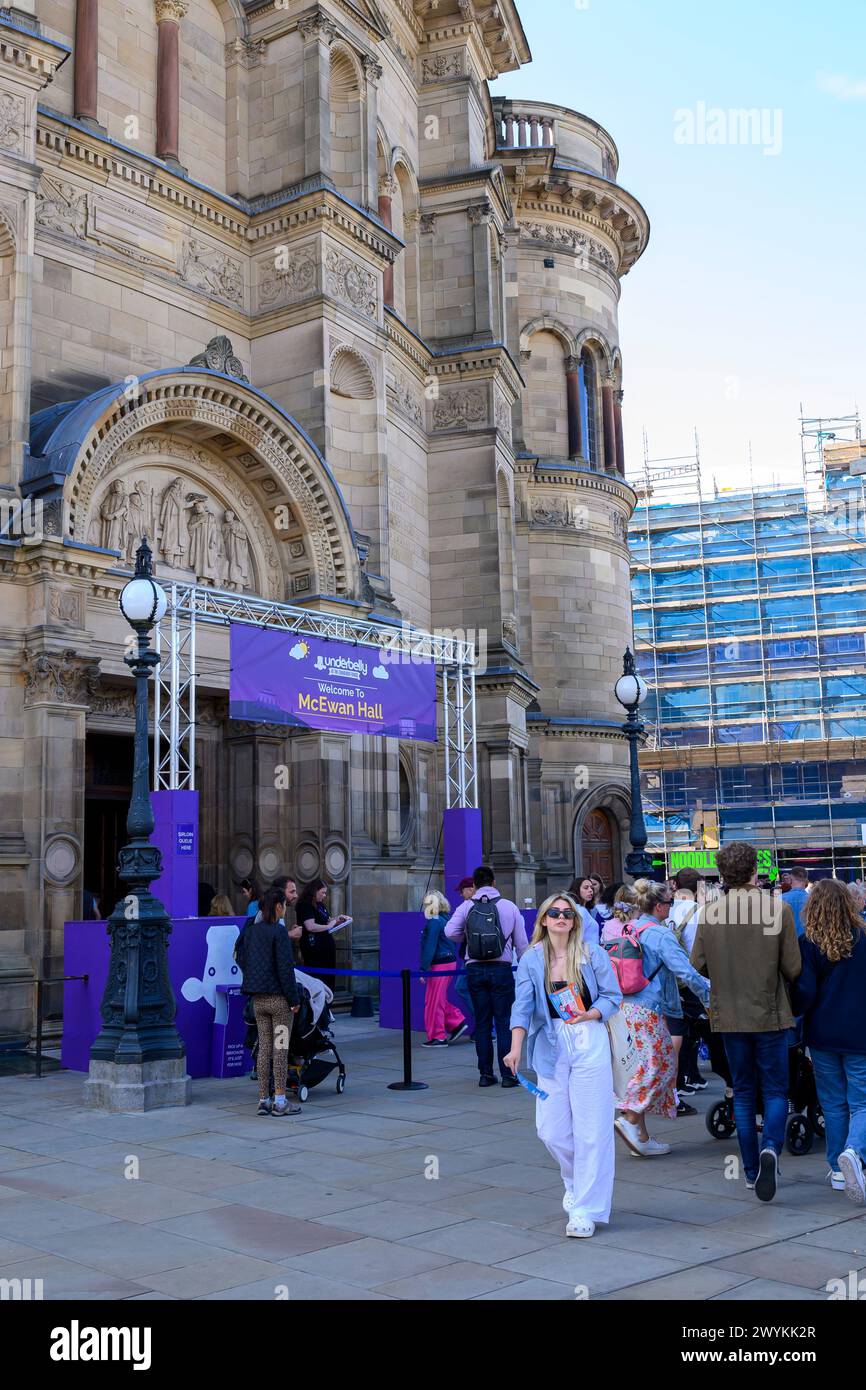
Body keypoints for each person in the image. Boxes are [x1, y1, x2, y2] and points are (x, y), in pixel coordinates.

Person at [505, 893, 622, 1238]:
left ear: (574, 920)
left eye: (567, 913)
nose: (560, 917)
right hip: (549, 1044)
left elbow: (613, 996)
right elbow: (522, 1007)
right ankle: (573, 1179)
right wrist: (514, 1048)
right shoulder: (531, 959)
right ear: (543, 919)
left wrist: (593, 1012)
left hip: (589, 1038)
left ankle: (586, 1207)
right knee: (551, 1130)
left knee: (592, 1128)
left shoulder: (592, 953)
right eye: (554, 913)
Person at [690, 841, 801, 1202]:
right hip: (769, 1013)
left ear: (722, 874)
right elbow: (793, 967)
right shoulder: (777, 909)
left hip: (729, 1015)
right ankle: (771, 1147)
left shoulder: (709, 914)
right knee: (775, 1090)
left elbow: (697, 965)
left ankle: (751, 1171)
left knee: (742, 1090)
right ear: (754, 869)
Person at [610, 880, 710, 1156]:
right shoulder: (660, 935)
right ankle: (629, 1117)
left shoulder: (632, 926)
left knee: (640, 1067)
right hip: (648, 1007)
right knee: (662, 1065)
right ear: (659, 906)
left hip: (625, 1007)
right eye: (670, 903)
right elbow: (686, 972)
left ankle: (640, 1136)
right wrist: (711, 995)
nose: (672, 907)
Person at [793, 879, 866, 1204]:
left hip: (822, 1032)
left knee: (833, 1102)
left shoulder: (808, 942)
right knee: (862, 1101)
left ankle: (838, 1167)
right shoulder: (863, 937)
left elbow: (805, 992)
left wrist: (796, 1013)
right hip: (860, 1031)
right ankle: (855, 1151)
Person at [445, 865, 529, 1088]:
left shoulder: (466, 907)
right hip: (501, 969)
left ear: (474, 885)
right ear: (493, 883)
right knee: (504, 1023)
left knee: (482, 1023)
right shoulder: (509, 906)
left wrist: (469, 936)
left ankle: (485, 1074)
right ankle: (508, 1075)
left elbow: (449, 931)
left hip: (475, 970)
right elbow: (522, 944)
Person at [237, 886, 301, 1116]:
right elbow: (285, 969)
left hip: (259, 1002)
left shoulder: (252, 931)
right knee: (280, 1050)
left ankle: (263, 1099)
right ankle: (280, 1100)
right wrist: (294, 999)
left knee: (264, 1049)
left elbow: (242, 957)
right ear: (277, 906)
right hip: (279, 1003)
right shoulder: (278, 932)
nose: (285, 909)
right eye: (283, 905)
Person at [419, 890, 467, 1047]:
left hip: (439, 964)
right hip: (448, 962)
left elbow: (430, 946)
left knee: (434, 1001)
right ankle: (456, 1022)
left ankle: (439, 1036)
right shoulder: (446, 918)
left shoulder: (434, 921)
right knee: (436, 999)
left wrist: (423, 969)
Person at [296, 879, 346, 995]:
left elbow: (327, 921)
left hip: (326, 948)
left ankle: (328, 1001)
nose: (324, 895)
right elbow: (310, 926)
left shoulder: (320, 905)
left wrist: (338, 920)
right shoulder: (305, 905)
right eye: (322, 893)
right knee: (318, 977)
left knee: (328, 978)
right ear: (314, 891)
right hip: (314, 948)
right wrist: (329, 926)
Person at [567, 878, 602, 945]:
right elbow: (577, 937)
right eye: (586, 888)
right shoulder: (580, 910)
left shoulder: (584, 909)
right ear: (577, 890)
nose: (590, 890)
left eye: (592, 888)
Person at [781, 868, 809, 937]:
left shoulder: (780, 898)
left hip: (788, 942)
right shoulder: (814, 899)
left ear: (790, 879)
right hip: (809, 942)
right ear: (806, 880)